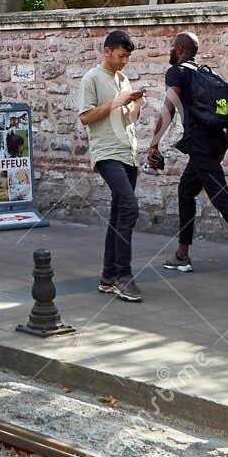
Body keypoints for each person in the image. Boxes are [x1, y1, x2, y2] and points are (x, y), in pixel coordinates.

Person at [147, 31, 228, 285]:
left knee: (222, 200)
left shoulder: (177, 73)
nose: (170, 50)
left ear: (180, 49)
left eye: (172, 46)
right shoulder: (209, 74)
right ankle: (182, 255)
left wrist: (153, 143)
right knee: (186, 191)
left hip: (200, 146)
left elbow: (169, 108)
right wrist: (224, 146)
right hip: (213, 143)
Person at [77, 29, 147, 302]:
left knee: (119, 212)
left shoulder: (124, 79)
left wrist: (135, 105)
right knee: (129, 207)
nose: (124, 61)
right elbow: (85, 118)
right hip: (106, 153)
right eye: (121, 56)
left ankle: (108, 277)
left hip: (128, 152)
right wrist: (115, 102)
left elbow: (128, 119)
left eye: (127, 57)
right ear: (107, 51)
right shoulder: (91, 78)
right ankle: (123, 275)